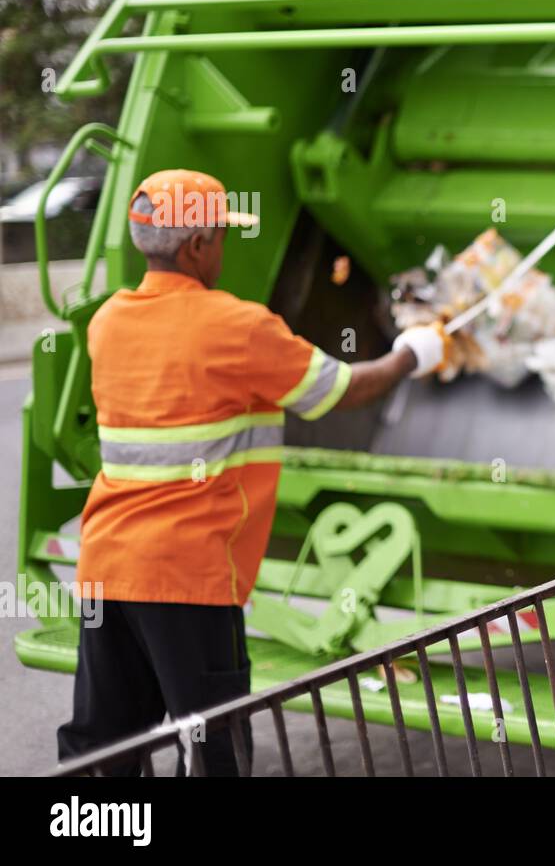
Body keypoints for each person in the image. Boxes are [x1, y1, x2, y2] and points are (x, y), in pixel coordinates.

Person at [56, 169, 448, 774]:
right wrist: (411, 354)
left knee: (104, 746)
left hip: (107, 568)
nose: (223, 247)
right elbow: (343, 389)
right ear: (195, 246)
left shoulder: (109, 321)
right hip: (190, 576)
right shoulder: (236, 326)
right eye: (219, 234)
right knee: (212, 747)